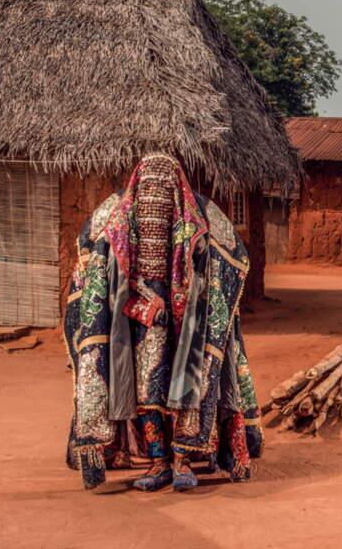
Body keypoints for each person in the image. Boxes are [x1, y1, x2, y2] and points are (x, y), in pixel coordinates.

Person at [64, 153, 263, 491]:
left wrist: (197, 282)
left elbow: (233, 254)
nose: (155, 196)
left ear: (176, 188)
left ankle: (182, 460)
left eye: (163, 188)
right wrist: (133, 300)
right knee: (146, 393)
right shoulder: (115, 216)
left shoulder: (199, 214)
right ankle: (158, 462)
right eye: (148, 188)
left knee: (187, 389)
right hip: (136, 324)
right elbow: (91, 262)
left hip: (188, 323)